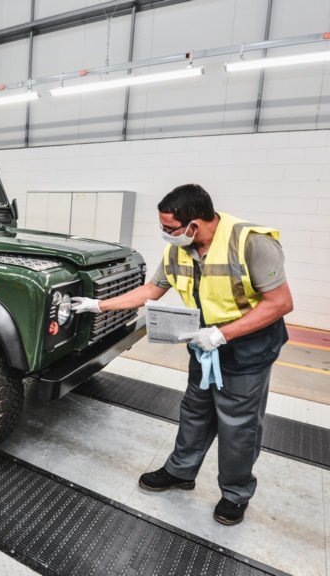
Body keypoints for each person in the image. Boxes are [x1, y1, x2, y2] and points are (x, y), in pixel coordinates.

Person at [72, 183, 293, 526]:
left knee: (239, 425)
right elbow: (152, 290)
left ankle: (235, 493)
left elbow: (280, 303)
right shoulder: (179, 250)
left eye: (169, 228)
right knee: (195, 410)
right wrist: (98, 305)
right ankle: (180, 471)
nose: (165, 233)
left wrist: (222, 334)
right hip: (203, 344)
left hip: (247, 348)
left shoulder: (250, 243)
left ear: (194, 223)